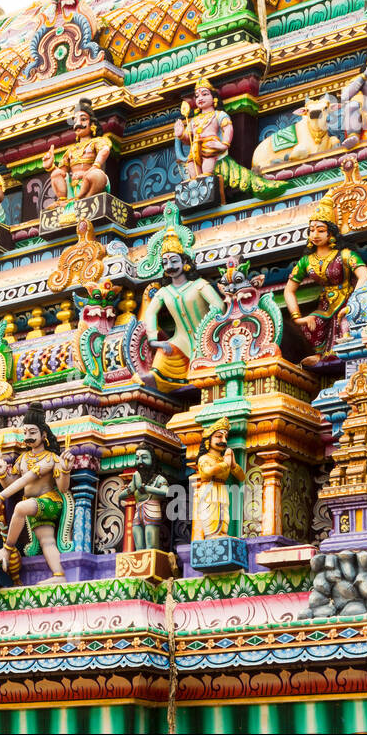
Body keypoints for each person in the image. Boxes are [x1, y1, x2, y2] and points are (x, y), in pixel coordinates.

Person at [283, 195, 367, 367]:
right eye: (311, 230)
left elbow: (364, 275)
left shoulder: (344, 255)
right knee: (312, 323)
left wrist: (353, 303)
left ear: (331, 233)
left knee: (344, 323)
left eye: (320, 230)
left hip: (346, 297)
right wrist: (297, 317)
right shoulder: (306, 261)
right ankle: (320, 354)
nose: (315, 235)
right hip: (325, 304)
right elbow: (289, 290)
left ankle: (342, 351)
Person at [0, 404, 71, 583]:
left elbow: (63, 487)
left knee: (20, 507)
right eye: (25, 432)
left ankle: (7, 548)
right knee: (47, 541)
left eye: (32, 432)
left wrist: (65, 470)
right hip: (33, 507)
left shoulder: (51, 459)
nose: (27, 437)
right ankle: (59, 575)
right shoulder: (23, 459)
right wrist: (2, 472)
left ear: (43, 435)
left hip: (49, 502)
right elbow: (13, 485)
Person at [140, 229, 224, 391]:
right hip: (180, 341)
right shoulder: (164, 292)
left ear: (185, 262)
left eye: (174, 261)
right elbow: (150, 312)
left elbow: (219, 306)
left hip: (207, 340)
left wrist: (210, 328)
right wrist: (153, 340)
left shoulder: (199, 284)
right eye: (165, 263)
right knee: (162, 357)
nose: (170, 266)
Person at [43, 98, 111, 201]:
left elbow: (104, 150)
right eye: (75, 121)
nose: (77, 124)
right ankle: (62, 200)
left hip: (91, 181)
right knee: (55, 174)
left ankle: (87, 199)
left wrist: (93, 168)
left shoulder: (97, 142)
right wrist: (50, 167)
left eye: (83, 119)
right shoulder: (71, 150)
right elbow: (62, 172)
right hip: (73, 186)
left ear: (92, 124)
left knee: (97, 175)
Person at [190, 418, 246, 541]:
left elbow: (242, 477)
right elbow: (207, 472)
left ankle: (222, 534)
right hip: (208, 490)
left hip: (222, 489)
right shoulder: (204, 458)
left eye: (226, 437)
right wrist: (225, 464)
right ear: (208, 440)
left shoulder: (223, 459)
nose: (224, 441)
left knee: (224, 513)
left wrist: (233, 465)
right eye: (219, 437)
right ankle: (212, 535)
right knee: (211, 513)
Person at [174, 79, 232, 179]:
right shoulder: (194, 120)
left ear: (214, 97)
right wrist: (181, 135)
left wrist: (224, 145)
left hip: (210, 145)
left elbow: (228, 129)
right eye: (197, 96)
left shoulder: (218, 115)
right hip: (195, 147)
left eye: (205, 94)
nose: (200, 98)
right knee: (193, 173)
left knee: (206, 173)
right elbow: (189, 139)